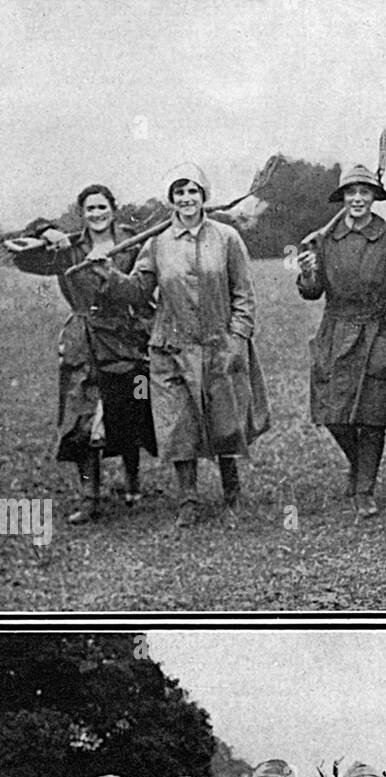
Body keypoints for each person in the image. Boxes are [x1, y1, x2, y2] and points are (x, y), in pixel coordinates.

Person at [89, 163, 270, 527]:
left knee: (224, 421)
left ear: (204, 196)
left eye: (192, 191)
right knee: (178, 425)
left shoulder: (227, 238)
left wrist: (237, 338)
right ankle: (187, 498)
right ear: (170, 199)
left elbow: (244, 295)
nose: (186, 199)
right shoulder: (158, 243)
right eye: (179, 192)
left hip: (219, 344)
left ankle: (231, 490)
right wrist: (106, 272)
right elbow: (138, 289)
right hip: (170, 347)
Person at [4, 185, 157, 523]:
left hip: (126, 339)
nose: (97, 214)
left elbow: (143, 286)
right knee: (81, 418)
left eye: (102, 207)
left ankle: (132, 481)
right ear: (82, 212)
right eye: (90, 209)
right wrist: (46, 231)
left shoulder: (133, 242)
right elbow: (21, 252)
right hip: (82, 341)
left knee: (129, 410)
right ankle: (90, 498)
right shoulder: (68, 247)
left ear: (113, 209)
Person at [296, 164, 386, 519]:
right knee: (335, 414)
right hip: (337, 329)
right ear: (342, 198)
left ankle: (364, 489)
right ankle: (360, 465)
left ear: (374, 197)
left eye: (364, 192)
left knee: (373, 417)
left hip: (378, 329)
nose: (357, 198)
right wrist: (307, 271)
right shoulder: (324, 239)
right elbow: (312, 293)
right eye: (350, 193)